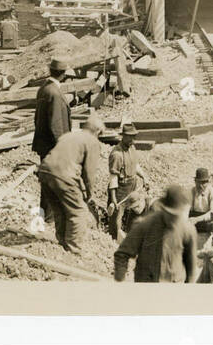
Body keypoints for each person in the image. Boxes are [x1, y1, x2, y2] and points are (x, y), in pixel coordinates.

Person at [37, 115, 108, 255]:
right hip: (63, 175)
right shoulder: (92, 141)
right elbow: (89, 172)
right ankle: (74, 250)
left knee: (59, 209)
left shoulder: (68, 135)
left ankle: (62, 244)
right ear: (98, 131)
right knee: (79, 211)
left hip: (44, 171)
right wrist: (89, 194)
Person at [113, 185, 198, 283]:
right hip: (146, 286)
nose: (173, 219)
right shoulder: (144, 225)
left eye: (177, 216)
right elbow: (122, 254)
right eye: (171, 215)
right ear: (164, 209)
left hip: (172, 288)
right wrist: (120, 280)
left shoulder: (188, 231)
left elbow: (191, 270)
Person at [33, 57, 72, 223]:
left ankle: (43, 218)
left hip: (44, 145)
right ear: (63, 75)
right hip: (53, 147)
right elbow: (56, 124)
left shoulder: (43, 89)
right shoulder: (55, 93)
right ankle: (49, 220)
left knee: (47, 184)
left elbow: (37, 119)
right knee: (53, 184)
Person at [106, 123, 149, 238]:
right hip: (120, 188)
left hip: (132, 184)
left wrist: (144, 177)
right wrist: (114, 199)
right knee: (117, 216)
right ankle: (114, 239)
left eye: (133, 136)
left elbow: (135, 165)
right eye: (129, 136)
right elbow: (113, 178)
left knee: (134, 210)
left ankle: (130, 235)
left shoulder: (132, 148)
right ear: (123, 136)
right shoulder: (116, 154)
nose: (132, 139)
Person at [188, 168, 213, 247]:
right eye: (199, 182)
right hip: (192, 230)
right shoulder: (191, 192)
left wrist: (196, 219)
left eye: (204, 183)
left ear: (208, 182)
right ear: (195, 181)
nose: (201, 185)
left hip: (206, 231)